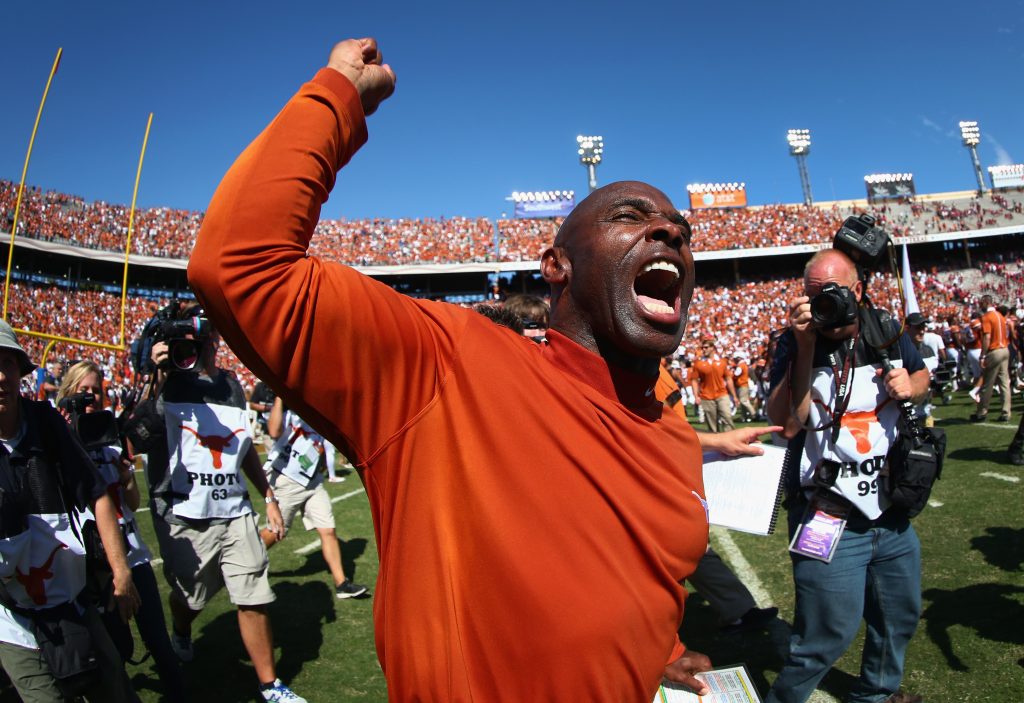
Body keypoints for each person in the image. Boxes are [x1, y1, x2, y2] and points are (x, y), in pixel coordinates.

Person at [188, 37, 713, 701]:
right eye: (631, 216)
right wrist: (337, 94)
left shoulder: (671, 427)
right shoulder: (447, 364)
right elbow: (238, 263)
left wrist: (658, 649)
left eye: (680, 227)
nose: (670, 232)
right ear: (556, 266)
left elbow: (635, 576)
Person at [766, 249, 930, 703]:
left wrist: (911, 386)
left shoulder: (885, 328)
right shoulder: (795, 340)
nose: (825, 303)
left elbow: (921, 376)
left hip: (890, 509)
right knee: (825, 634)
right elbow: (788, 424)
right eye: (814, 294)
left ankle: (877, 694)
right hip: (826, 511)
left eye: (834, 292)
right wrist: (803, 347)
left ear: (857, 290)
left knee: (898, 617)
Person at [134, 309, 306, 703]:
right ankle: (181, 627)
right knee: (192, 598)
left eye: (209, 334)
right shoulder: (169, 381)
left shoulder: (230, 385)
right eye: (194, 336)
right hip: (183, 513)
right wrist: (156, 377)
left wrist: (268, 496)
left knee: (253, 595)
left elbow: (242, 449)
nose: (204, 341)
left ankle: (270, 685)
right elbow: (137, 437)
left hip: (234, 509)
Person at [0, 322, 141, 703]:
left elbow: (97, 494)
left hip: (72, 599)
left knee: (115, 687)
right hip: (11, 616)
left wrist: (121, 570)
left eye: (7, 363)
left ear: (20, 371)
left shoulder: (44, 423)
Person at [55, 360, 186, 702]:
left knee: (158, 639)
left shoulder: (111, 438)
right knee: (116, 648)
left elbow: (132, 501)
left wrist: (127, 477)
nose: (91, 398)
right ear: (68, 393)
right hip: (95, 564)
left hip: (133, 553)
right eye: (83, 391)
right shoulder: (59, 441)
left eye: (96, 391)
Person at [260, 396, 368, 598]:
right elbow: (273, 431)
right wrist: (280, 397)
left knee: (328, 529)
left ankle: (342, 583)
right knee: (276, 532)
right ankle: (242, 561)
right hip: (287, 480)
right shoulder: (290, 413)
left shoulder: (318, 416)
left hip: (313, 481)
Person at [971, 295, 1011, 422]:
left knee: (987, 384)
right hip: (1004, 349)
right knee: (1004, 383)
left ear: (985, 302)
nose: (979, 305)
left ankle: (981, 412)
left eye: (981, 303)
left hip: (994, 351)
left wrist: (983, 355)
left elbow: (987, 337)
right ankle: (1006, 412)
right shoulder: (1000, 316)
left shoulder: (986, 317)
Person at [691, 338, 736, 433]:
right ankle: (717, 441)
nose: (703, 349)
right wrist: (696, 396)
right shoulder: (698, 363)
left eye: (706, 347)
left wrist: (734, 396)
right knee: (712, 425)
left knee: (727, 418)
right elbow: (694, 381)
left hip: (722, 394)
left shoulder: (722, 362)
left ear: (712, 348)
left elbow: (728, 379)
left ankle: (731, 438)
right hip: (706, 396)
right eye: (702, 348)